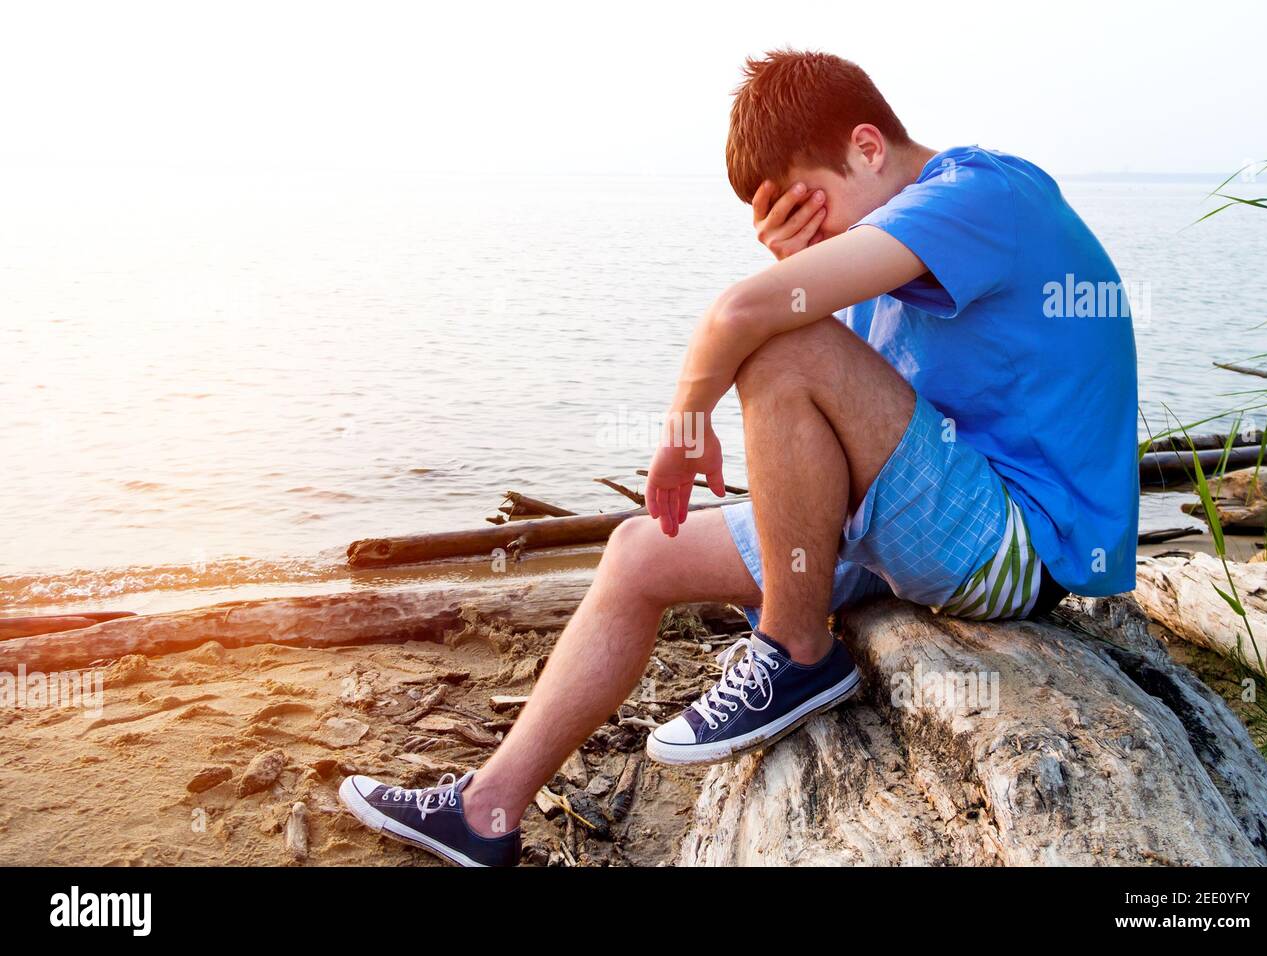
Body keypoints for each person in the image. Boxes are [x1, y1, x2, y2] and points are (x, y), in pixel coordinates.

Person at [338, 49, 1139, 866]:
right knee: (637, 552)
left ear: (869, 147)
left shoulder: (984, 196)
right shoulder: (894, 249)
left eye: (811, 207)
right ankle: (486, 811)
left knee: (783, 337)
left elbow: (751, 316)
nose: (816, 234)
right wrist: (799, 269)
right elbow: (856, 412)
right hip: (924, 522)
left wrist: (687, 423)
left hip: (1015, 545)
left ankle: (795, 653)